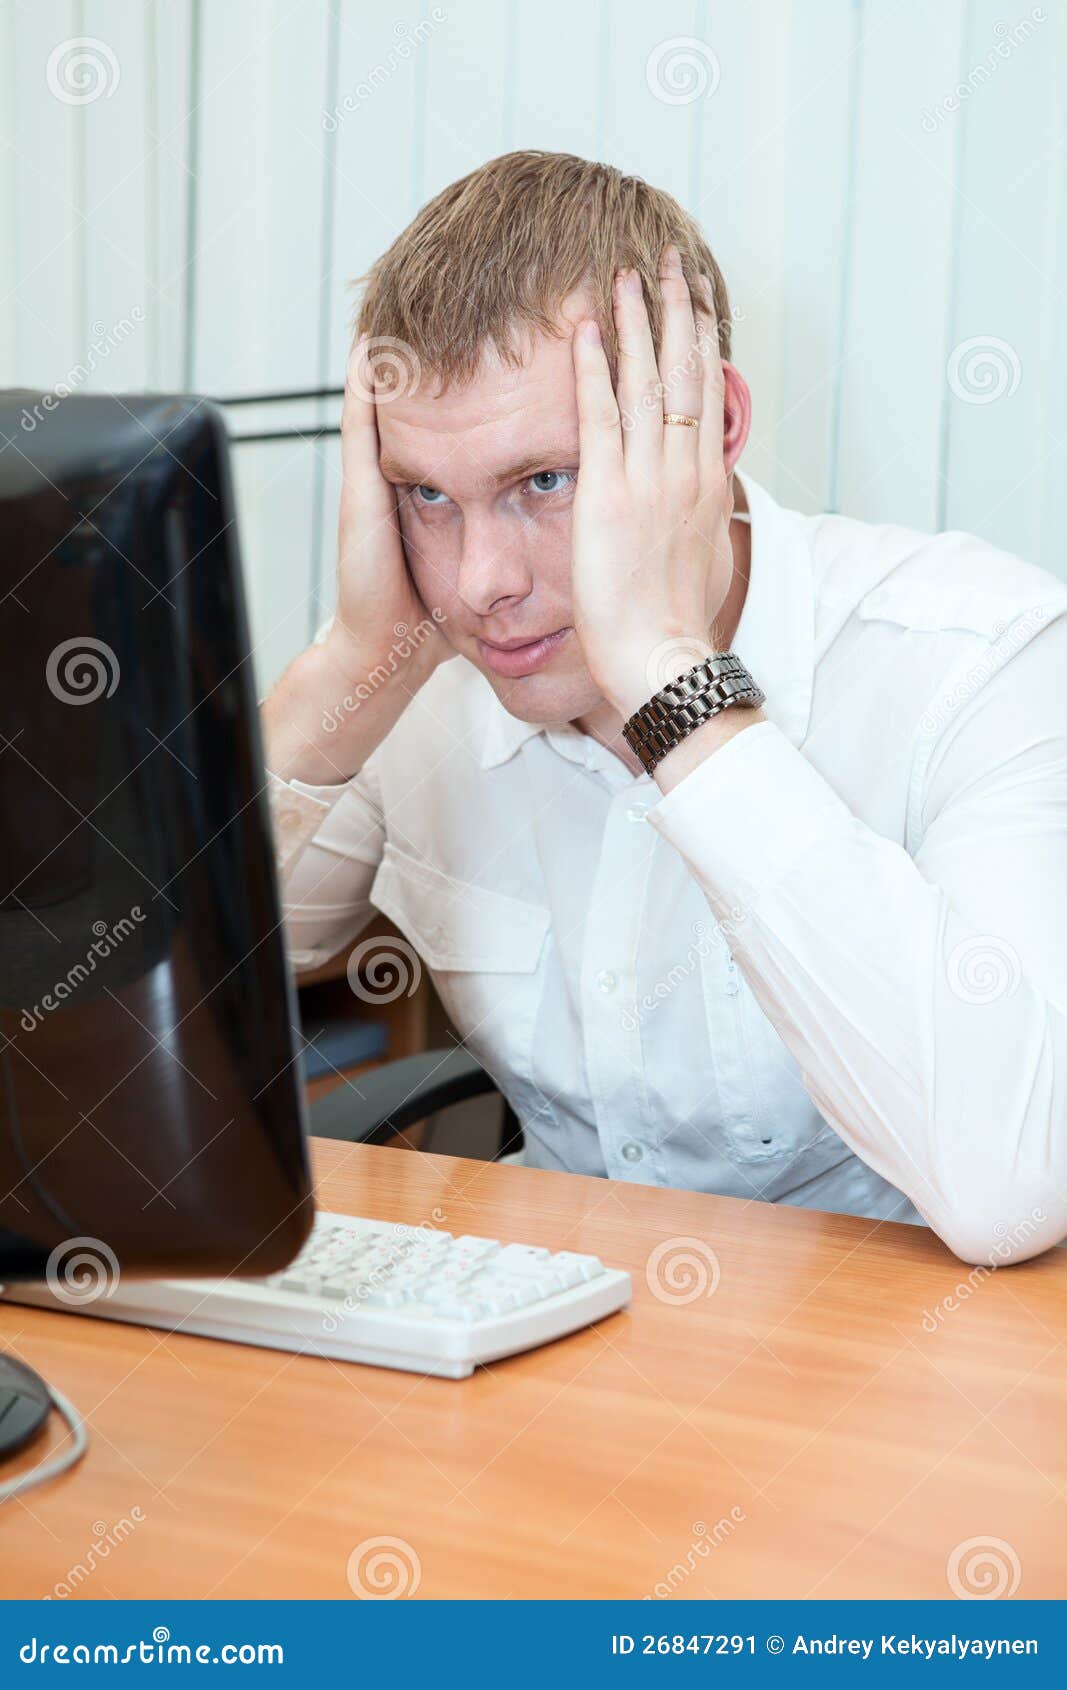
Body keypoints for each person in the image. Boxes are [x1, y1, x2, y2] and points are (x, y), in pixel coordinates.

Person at [262, 150, 1067, 1266]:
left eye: (542, 480)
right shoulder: (425, 651)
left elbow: (1007, 1189)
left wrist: (668, 680)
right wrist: (354, 658)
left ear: (714, 426)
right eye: (425, 495)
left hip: (898, 1376)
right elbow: (124, 1021)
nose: (479, 578)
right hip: (545, 1348)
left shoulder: (981, 658)